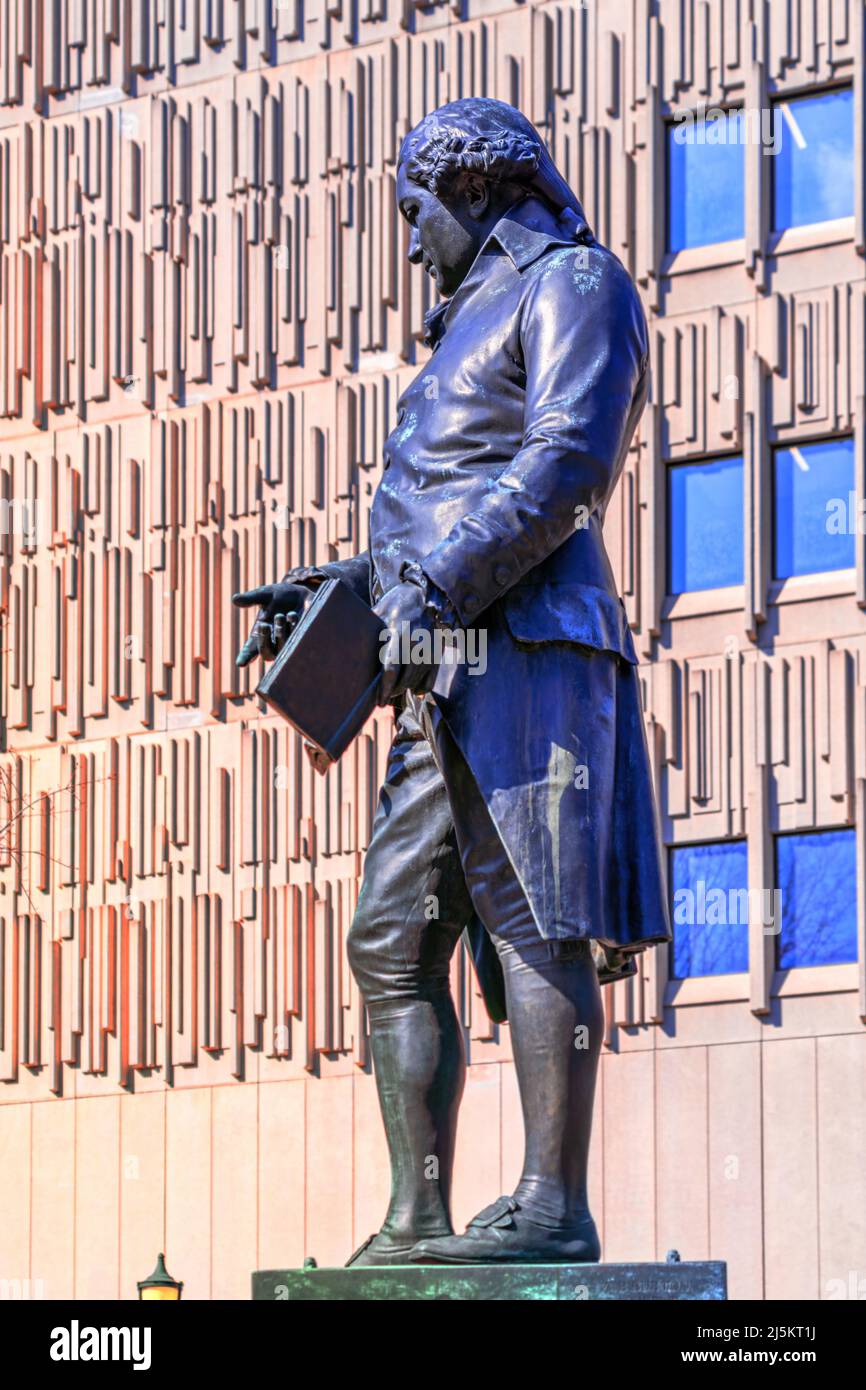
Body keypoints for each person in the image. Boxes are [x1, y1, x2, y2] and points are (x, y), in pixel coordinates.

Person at [233, 98, 671, 1267]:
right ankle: (417, 1214)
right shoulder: (466, 316)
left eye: (414, 210)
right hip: (435, 668)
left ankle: (548, 1203)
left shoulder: (573, 282)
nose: (408, 238)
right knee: (390, 937)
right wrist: (345, 590)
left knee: (534, 916)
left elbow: (569, 459)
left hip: (527, 646)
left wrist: (432, 578)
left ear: (470, 191)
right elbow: (439, 501)